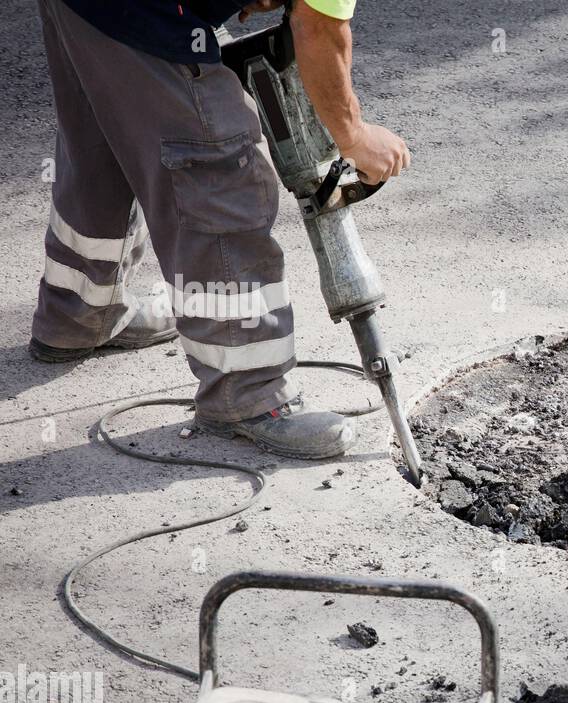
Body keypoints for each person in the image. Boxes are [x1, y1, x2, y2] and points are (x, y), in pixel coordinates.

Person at [30, 0, 410, 459]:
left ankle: (81, 312)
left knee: (103, 143)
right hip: (147, 13)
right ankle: (247, 396)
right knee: (218, 174)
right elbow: (317, 29)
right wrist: (354, 137)